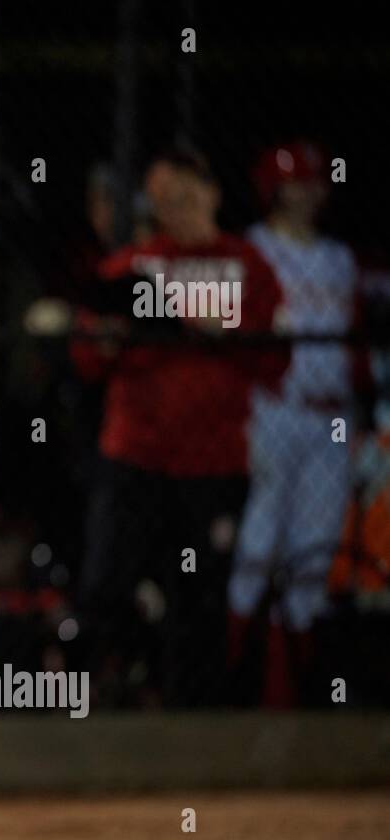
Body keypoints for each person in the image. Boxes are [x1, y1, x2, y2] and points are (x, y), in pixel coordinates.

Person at [69, 147, 287, 708]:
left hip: (212, 464)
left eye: (187, 196)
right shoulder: (130, 265)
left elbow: (278, 359)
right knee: (106, 586)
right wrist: (112, 337)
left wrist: (214, 327)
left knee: (202, 597)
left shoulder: (248, 265)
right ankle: (111, 704)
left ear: (213, 195)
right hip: (134, 456)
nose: (177, 209)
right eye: (164, 200)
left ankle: (195, 729)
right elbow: (87, 359)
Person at [226, 142, 362, 707]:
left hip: (331, 417)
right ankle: (229, 682)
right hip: (275, 409)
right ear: (273, 188)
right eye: (296, 181)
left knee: (314, 552)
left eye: (314, 181)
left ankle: (292, 696)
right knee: (258, 548)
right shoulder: (255, 249)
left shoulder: (339, 259)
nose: (308, 191)